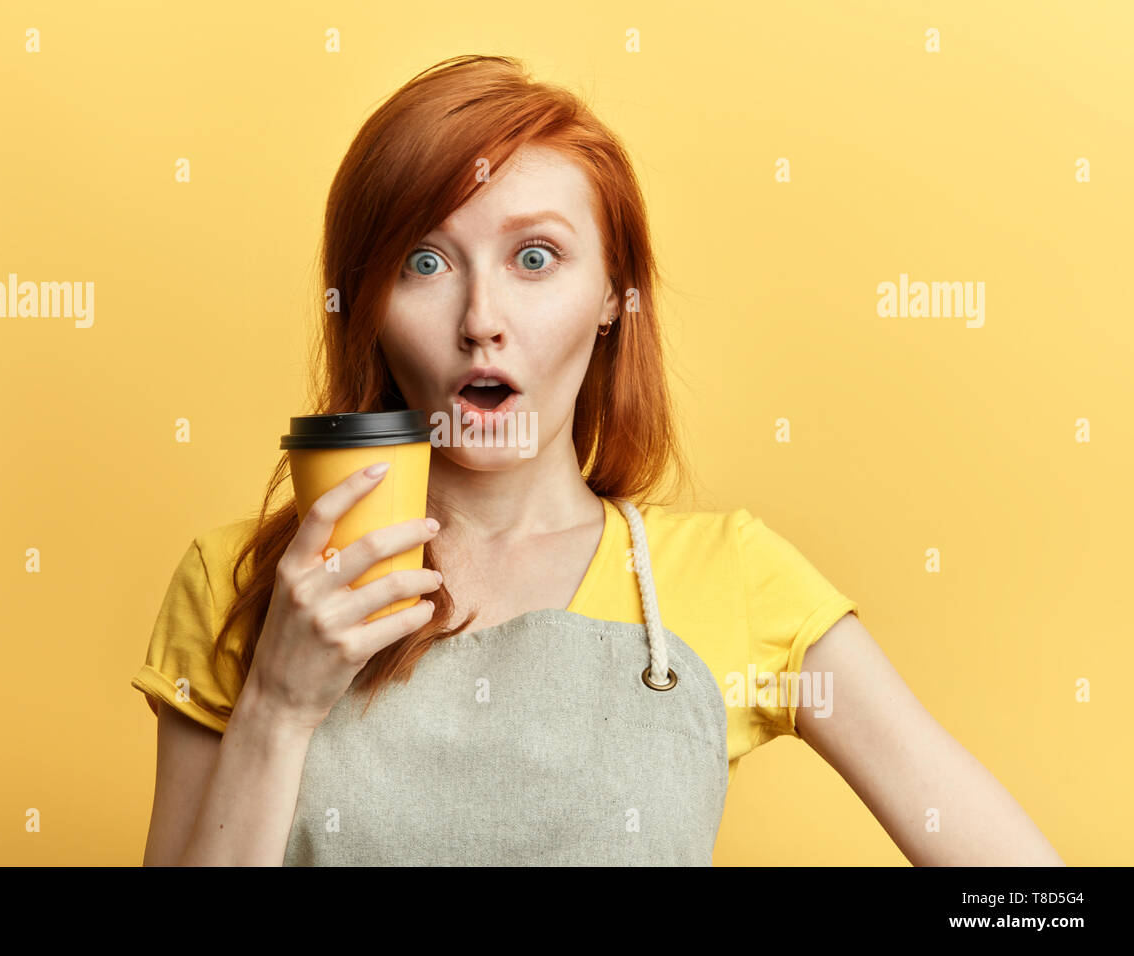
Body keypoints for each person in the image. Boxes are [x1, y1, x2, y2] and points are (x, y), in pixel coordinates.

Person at [131, 55, 1064, 866]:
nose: (480, 318)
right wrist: (280, 705)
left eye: (535, 257)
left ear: (615, 296)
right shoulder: (246, 586)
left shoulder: (736, 580)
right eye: (424, 261)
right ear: (366, 302)